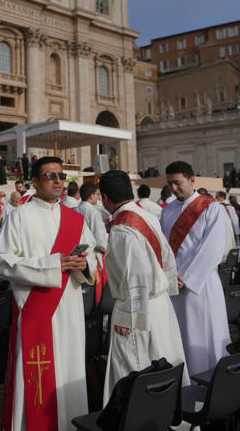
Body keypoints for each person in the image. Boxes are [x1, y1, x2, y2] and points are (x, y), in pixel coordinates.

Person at [0, 156, 97, 431]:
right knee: (37, 377)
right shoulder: (19, 216)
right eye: (51, 176)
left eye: (61, 175)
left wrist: (84, 264)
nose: (58, 181)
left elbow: (93, 260)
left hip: (70, 308)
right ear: (35, 182)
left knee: (69, 369)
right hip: (35, 309)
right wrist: (51, 264)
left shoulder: (76, 219)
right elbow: (1, 262)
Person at [98, 170, 188, 403]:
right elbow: (166, 255)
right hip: (158, 304)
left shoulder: (122, 227)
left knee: (135, 369)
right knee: (164, 360)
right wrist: (166, 283)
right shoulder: (145, 214)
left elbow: (136, 275)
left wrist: (128, 317)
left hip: (138, 311)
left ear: (105, 197)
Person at [160, 161, 230, 376]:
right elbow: (163, 247)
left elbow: (214, 248)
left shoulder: (211, 207)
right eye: (170, 183)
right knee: (180, 336)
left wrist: (187, 277)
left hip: (201, 284)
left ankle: (211, 383)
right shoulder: (167, 211)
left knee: (205, 335)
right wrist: (170, 275)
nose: (173, 188)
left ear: (192, 180)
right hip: (173, 284)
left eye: (178, 183)